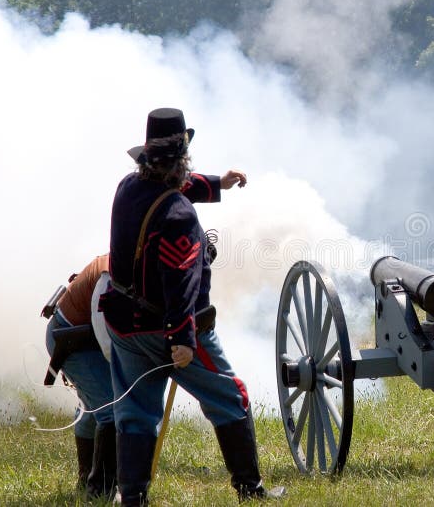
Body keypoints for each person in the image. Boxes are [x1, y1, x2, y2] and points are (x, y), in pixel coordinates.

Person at [100, 107, 284, 505]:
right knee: (231, 397)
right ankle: (251, 490)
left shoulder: (128, 188)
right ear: (182, 158)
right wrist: (181, 338)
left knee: (135, 412)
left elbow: (177, 186)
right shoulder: (179, 216)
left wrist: (220, 183)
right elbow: (182, 284)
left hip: (124, 324)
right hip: (170, 329)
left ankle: (132, 498)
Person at [43, 253, 117, 498]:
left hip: (91, 337)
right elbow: (102, 326)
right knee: (110, 408)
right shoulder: (111, 272)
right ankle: (102, 491)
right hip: (72, 338)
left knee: (94, 407)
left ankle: (87, 478)